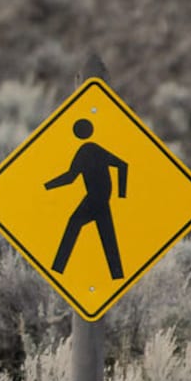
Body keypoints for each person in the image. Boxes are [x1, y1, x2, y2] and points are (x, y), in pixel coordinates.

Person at [44, 118, 128, 280]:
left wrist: (122, 194)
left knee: (74, 224)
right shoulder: (90, 149)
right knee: (107, 238)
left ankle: (58, 269)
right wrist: (47, 186)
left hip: (96, 199)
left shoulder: (88, 149)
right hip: (100, 198)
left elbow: (122, 165)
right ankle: (117, 276)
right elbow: (71, 177)